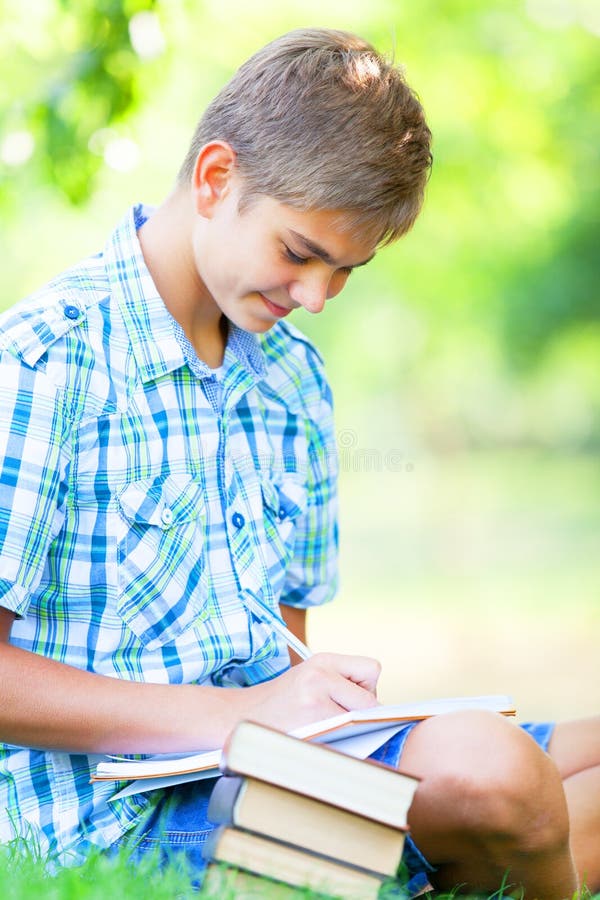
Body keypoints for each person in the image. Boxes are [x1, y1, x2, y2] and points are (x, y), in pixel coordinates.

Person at [0, 27, 598, 897]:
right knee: (497, 776)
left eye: (346, 271)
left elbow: (281, 653)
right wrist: (238, 714)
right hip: (119, 816)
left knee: (545, 774)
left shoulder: (291, 379)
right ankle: (474, 857)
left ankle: (450, 864)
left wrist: (309, 698)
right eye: (299, 254)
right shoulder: (45, 366)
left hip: (273, 775)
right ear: (214, 180)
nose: (316, 299)